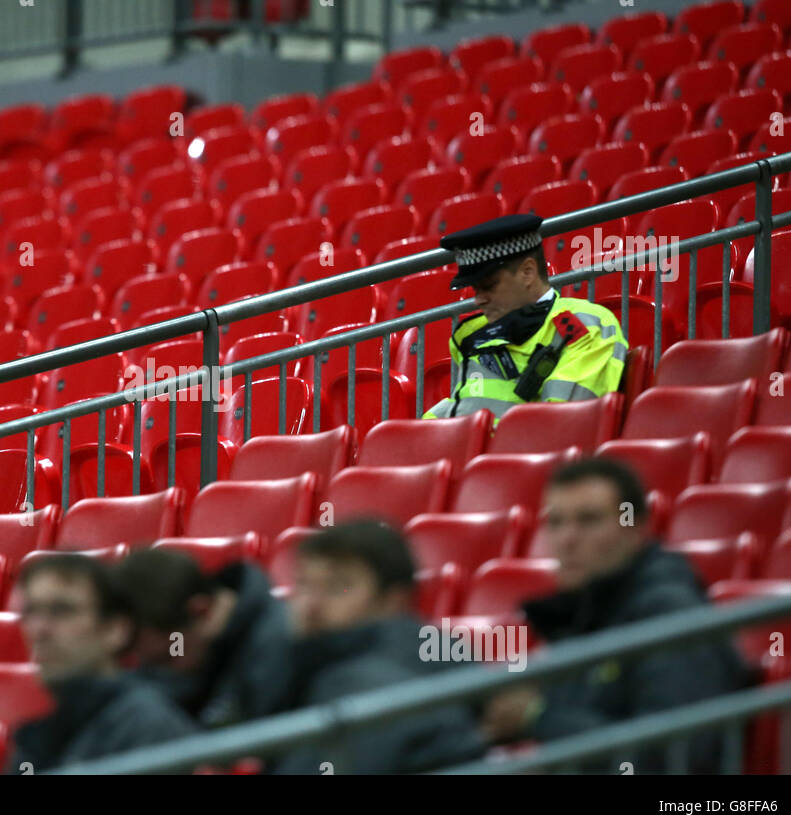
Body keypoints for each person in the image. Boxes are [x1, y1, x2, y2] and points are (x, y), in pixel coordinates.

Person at [478, 458, 751, 773]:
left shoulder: (671, 616)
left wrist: (538, 716)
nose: (566, 540)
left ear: (634, 526)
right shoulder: (580, 620)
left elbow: (671, 755)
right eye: (555, 522)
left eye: (589, 521)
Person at [274, 521, 487, 774]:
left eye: (338, 587)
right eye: (304, 585)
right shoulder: (302, 669)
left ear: (393, 602)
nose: (311, 606)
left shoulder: (376, 683)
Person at [423, 213, 628, 423]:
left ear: (528, 272)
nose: (478, 300)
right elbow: (463, 405)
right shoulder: (471, 335)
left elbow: (563, 425)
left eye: (488, 286)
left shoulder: (585, 324)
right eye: (475, 289)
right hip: (465, 451)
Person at [9, 553, 195, 772]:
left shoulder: (147, 724)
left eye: (62, 610)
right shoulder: (41, 735)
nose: (39, 630)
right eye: (31, 611)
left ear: (115, 630)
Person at [113, 548, 293, 727]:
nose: (168, 677)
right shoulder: (176, 650)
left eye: (171, 657)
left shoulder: (282, 648)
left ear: (202, 612)